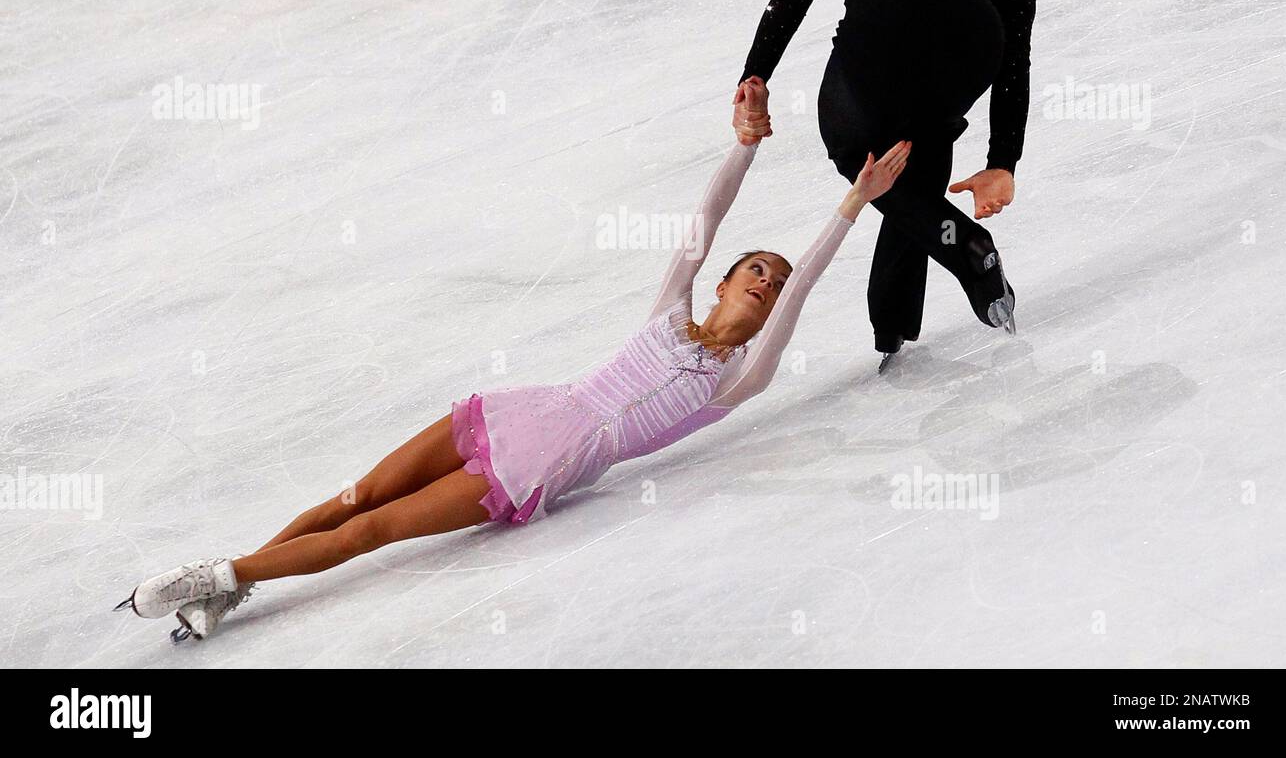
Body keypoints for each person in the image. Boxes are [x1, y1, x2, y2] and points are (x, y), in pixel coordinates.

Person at [115, 80, 912, 642]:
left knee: (377, 531)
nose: (767, 284)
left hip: (542, 463)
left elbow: (808, 281)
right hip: (510, 411)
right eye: (754, 272)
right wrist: (742, 147)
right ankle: (237, 583)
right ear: (725, 283)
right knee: (353, 497)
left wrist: (853, 203)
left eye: (772, 286)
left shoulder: (739, 381)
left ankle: (213, 576)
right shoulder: (671, 308)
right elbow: (702, 221)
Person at [732, 0, 1036, 369]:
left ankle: (967, 248)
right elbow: (1017, 55)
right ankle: (892, 326)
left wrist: (758, 70)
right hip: (969, 52)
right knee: (913, 165)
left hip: (886, 41)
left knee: (856, 147)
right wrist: (1002, 160)